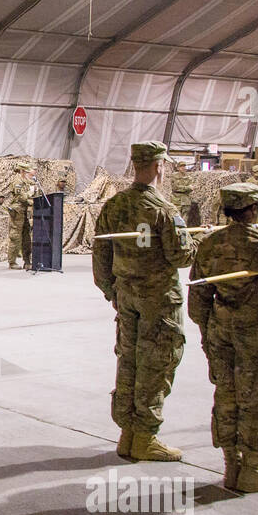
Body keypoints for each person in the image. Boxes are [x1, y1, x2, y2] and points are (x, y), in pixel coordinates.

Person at [188, 183, 258, 491]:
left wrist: (207, 334)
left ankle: (230, 466)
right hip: (255, 333)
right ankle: (251, 469)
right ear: (253, 210)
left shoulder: (210, 244)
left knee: (225, 394)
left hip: (220, 330)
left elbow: (198, 295)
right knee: (255, 397)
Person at [92, 141, 197, 462]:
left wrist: (112, 290)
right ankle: (145, 437)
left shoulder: (114, 206)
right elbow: (181, 256)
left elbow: (101, 254)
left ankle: (127, 433)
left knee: (129, 360)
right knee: (157, 362)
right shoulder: (164, 209)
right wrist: (196, 241)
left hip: (127, 297)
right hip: (158, 301)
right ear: (159, 166)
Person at [5, 162, 39, 269]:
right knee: (15, 237)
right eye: (27, 171)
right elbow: (21, 197)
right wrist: (30, 193)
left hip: (25, 212)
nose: (30, 173)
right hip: (17, 212)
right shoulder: (17, 181)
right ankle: (12, 262)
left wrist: (34, 191)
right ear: (22, 171)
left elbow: (32, 195)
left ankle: (27, 261)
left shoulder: (27, 181)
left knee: (26, 237)